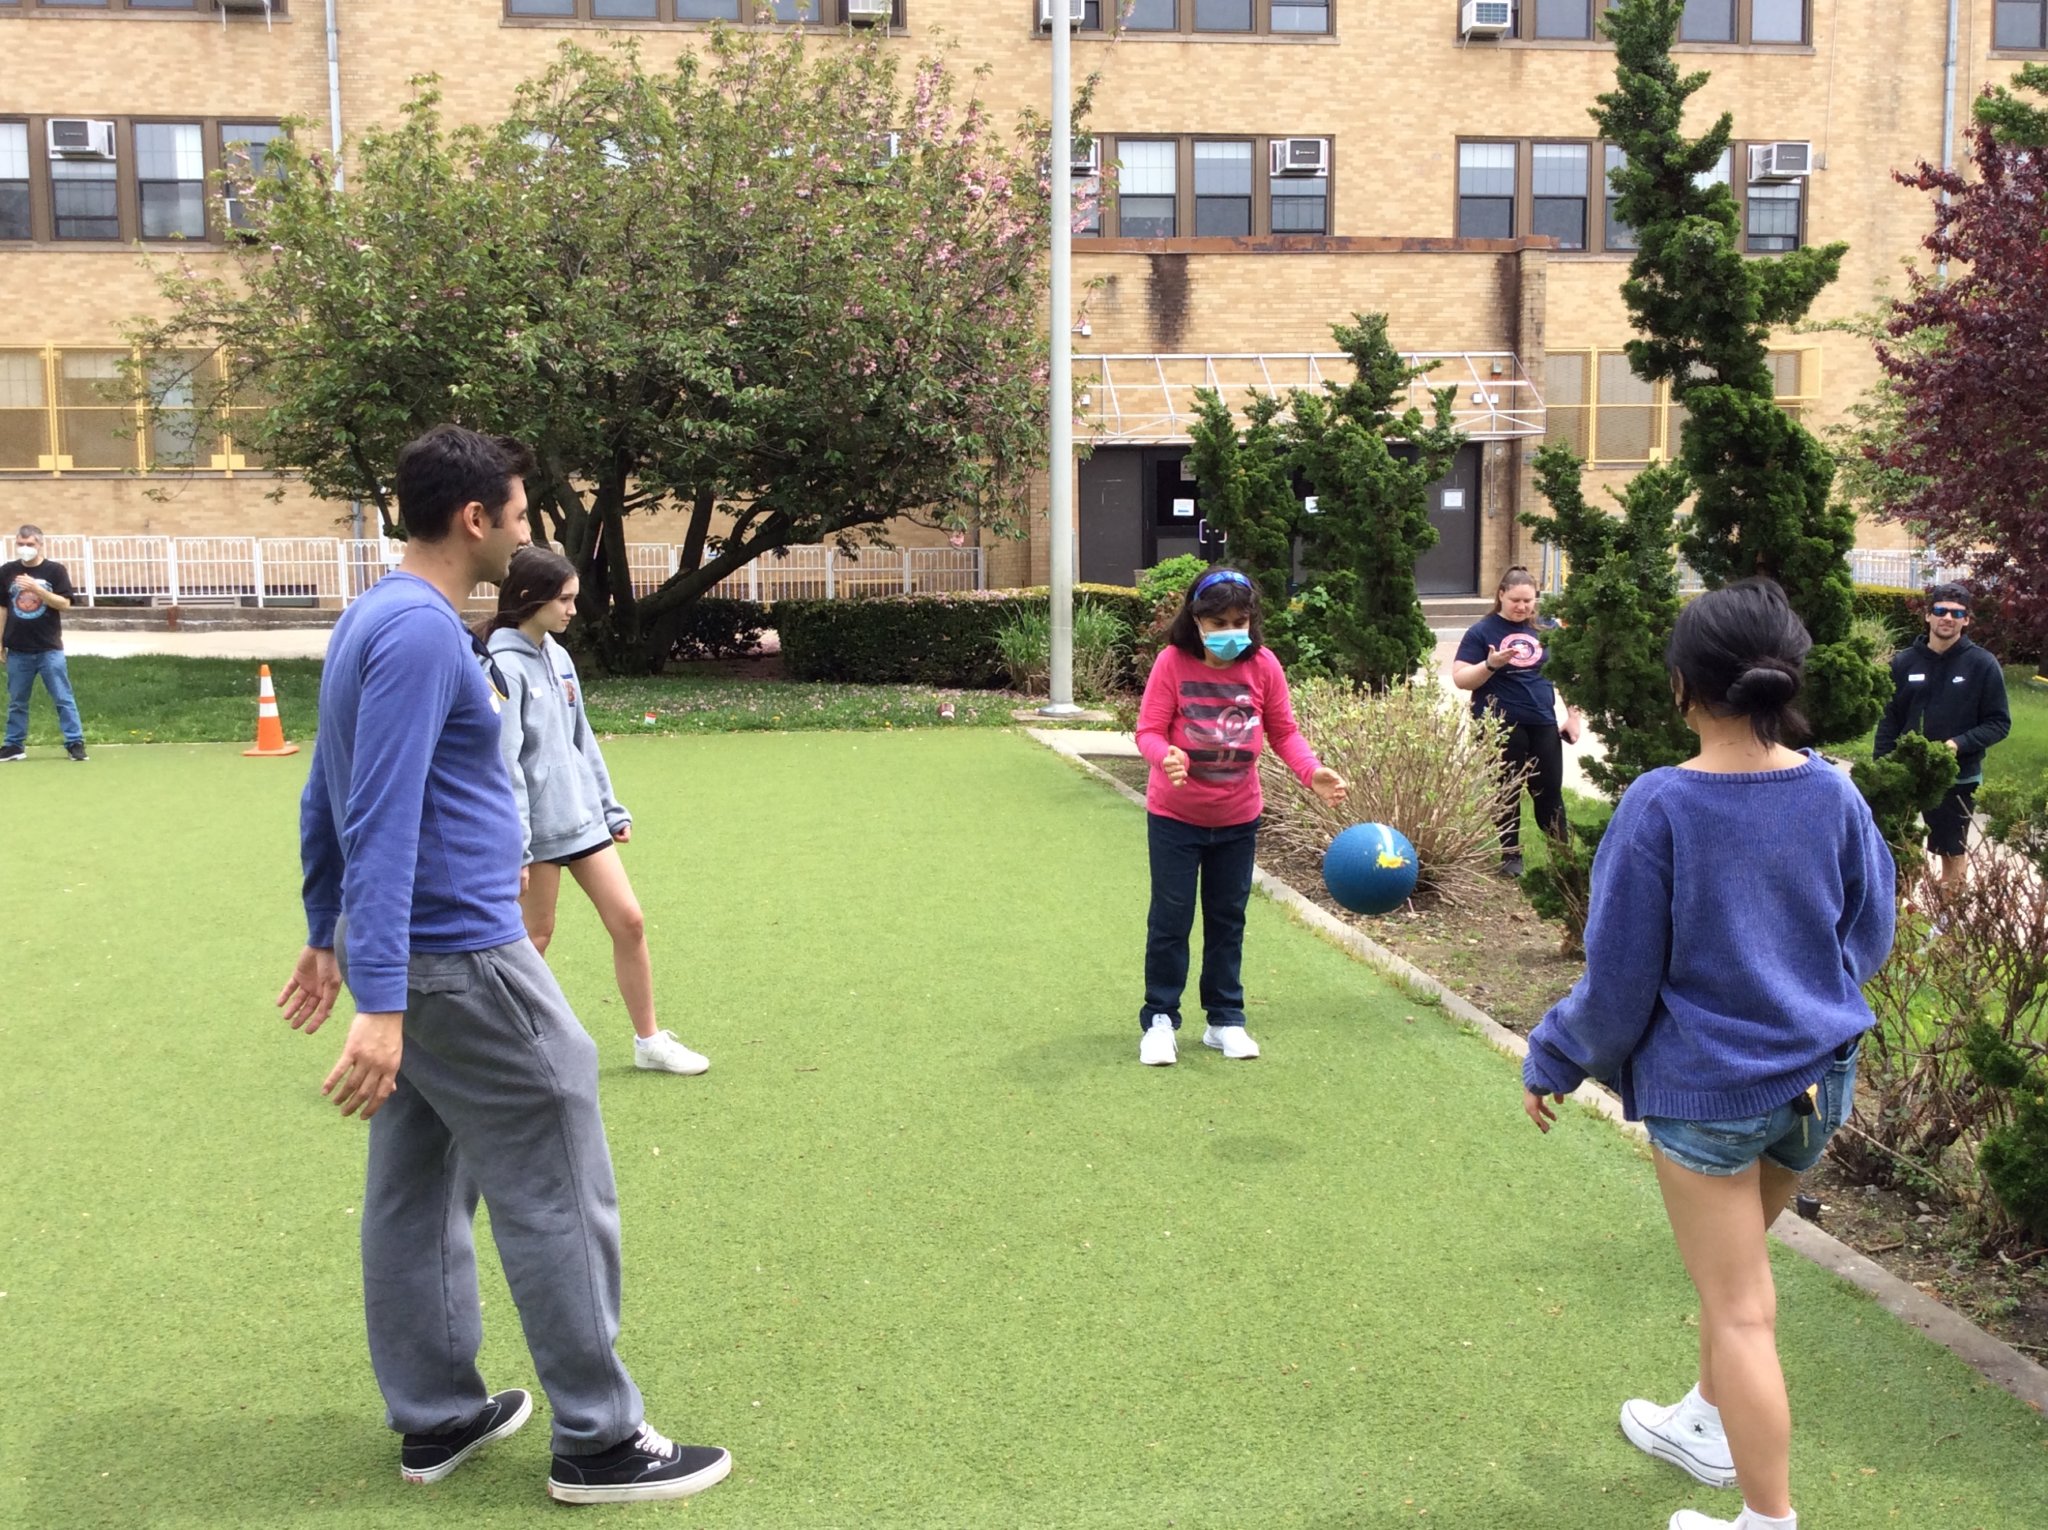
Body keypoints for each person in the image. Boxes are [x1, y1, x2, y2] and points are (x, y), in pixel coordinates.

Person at [275, 426, 728, 1505]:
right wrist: (374, 996)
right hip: (461, 956)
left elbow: (323, 791)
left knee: (417, 1181)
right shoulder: (427, 635)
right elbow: (376, 815)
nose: (530, 534)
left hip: (424, 959)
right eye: (521, 516)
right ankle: (601, 1440)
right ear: (474, 520)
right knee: (558, 1159)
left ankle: (437, 1415)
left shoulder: (373, 618)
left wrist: (325, 928)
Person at [1520, 579, 1895, 1530]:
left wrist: (1556, 1055)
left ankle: (1767, 1518)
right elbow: (1871, 932)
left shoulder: (1661, 804)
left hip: (1711, 1096)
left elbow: (1619, 983)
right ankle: (1704, 1419)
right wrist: (1808, 999)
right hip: (1821, 1079)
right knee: (1738, 1281)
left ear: (1682, 685)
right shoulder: (1835, 791)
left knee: (1739, 1309)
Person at [482, 546, 708, 1077]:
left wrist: (608, 807)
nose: (573, 610)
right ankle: (500, 1048)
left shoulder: (559, 658)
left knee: (629, 920)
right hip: (535, 836)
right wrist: (515, 845)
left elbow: (582, 739)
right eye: (563, 600)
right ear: (528, 599)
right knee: (533, 940)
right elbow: (505, 765)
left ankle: (649, 1041)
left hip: (582, 822)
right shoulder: (500, 667)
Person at [1133, 566, 1348, 1066]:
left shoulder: (1264, 665)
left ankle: (1224, 1019)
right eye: (1218, 623)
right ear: (1197, 621)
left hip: (1237, 817)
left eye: (1239, 620)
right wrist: (1164, 754)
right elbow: (1147, 730)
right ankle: (1160, 1020)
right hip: (1175, 817)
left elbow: (1284, 732)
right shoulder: (1172, 662)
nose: (1230, 632)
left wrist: (1311, 771)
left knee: (1228, 919)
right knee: (1171, 918)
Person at [1871, 581, 2010, 901]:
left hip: (1957, 777)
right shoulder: (1904, 662)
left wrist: (1957, 744)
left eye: (1956, 613)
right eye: (1940, 611)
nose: (1947, 617)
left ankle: (1948, 926)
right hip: (1905, 775)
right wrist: (1882, 768)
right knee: (1897, 847)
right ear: (1928, 616)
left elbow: (1999, 723)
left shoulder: (1982, 664)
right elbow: (1889, 719)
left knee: (1951, 852)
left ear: (1966, 620)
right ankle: (1900, 921)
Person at [1451, 566, 1582, 878]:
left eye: (1529, 600)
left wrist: (1573, 717)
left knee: (1549, 791)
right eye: (1515, 600)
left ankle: (1563, 858)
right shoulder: (1482, 632)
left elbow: (1567, 675)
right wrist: (1490, 665)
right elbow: (1461, 679)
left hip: (1542, 722)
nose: (1522, 606)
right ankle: (1510, 856)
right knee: (1506, 791)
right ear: (1501, 596)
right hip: (1500, 725)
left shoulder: (1547, 627)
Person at [1, 524, 87, 763]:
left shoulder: (55, 571)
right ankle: (13, 745)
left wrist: (37, 589)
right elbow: (3, 608)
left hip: (49, 648)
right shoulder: (7, 571)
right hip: (18, 649)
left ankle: (74, 742)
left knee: (62, 697)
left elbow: (64, 604)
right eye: (20, 544)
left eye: (30, 544)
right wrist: (0, 641)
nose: (25, 548)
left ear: (40, 545)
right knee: (17, 700)